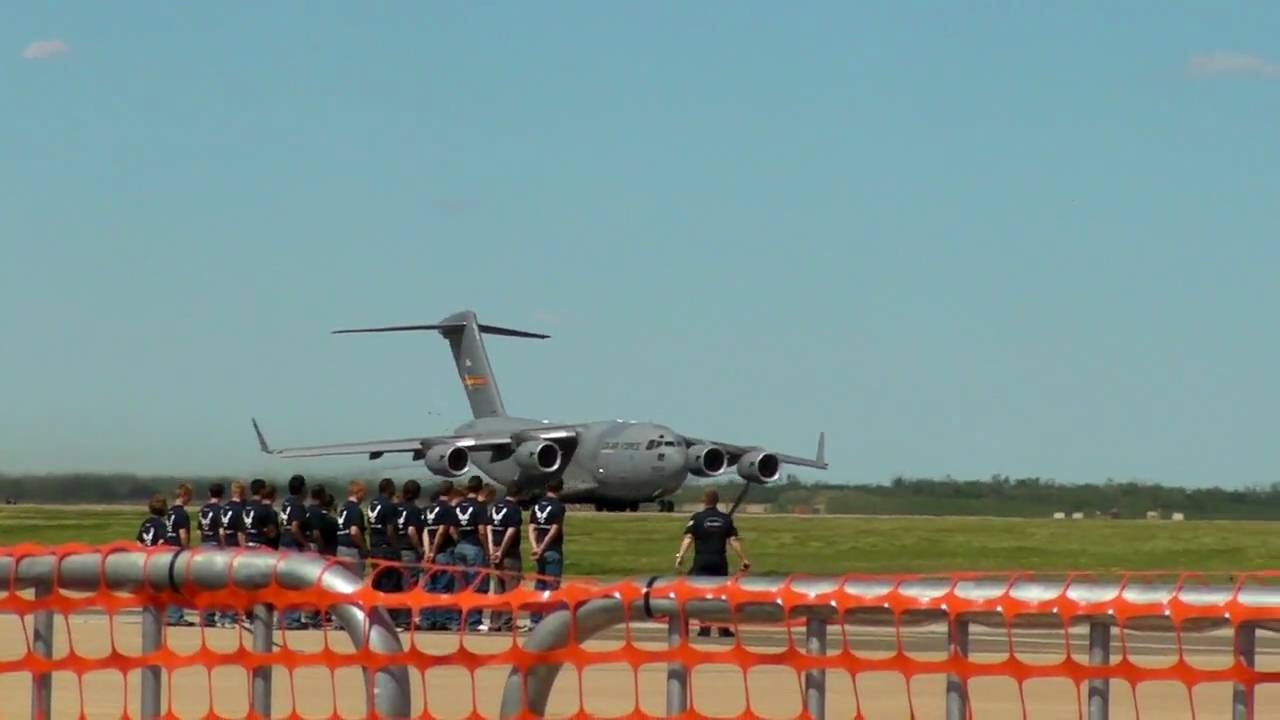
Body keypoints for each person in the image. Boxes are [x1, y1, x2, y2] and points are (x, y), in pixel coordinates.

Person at [674, 488, 750, 638]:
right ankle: (723, 629)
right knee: (722, 596)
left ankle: (704, 628)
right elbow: (733, 541)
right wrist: (743, 558)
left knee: (700, 595)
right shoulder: (726, 519)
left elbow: (688, 538)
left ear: (704, 501)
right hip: (719, 561)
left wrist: (680, 555)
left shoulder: (697, 518)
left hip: (702, 561)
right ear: (717, 501)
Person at [527, 477, 566, 628]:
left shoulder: (537, 505)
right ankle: (549, 621)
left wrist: (535, 547)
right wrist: (543, 547)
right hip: (552, 548)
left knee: (540, 585)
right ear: (560, 489)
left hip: (538, 547)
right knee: (552, 586)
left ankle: (534, 620)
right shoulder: (558, 506)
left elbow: (532, 527)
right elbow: (554, 529)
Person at [420, 481, 459, 631]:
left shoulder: (429, 509)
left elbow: (425, 531)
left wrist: (427, 551)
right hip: (443, 552)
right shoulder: (448, 510)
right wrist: (435, 551)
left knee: (430, 587)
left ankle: (427, 619)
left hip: (429, 550)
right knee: (443, 587)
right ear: (451, 493)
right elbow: (443, 531)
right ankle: (442, 619)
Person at [452, 476, 490, 632]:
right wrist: (487, 548)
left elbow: (452, 528)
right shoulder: (480, 506)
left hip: (460, 545)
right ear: (480, 489)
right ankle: (474, 621)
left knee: (460, 584)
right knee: (476, 584)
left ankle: (457, 620)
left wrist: (458, 540)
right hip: (475, 546)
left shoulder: (458, 505)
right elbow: (481, 530)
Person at [486, 485, 524, 632]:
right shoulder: (514, 509)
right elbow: (511, 531)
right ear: (518, 494)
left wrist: (491, 549)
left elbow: (489, 528)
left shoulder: (496, 507)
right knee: (511, 588)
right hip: (509, 552)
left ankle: (495, 622)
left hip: (494, 547)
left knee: (498, 588)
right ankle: (508, 622)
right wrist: (501, 551)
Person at [366, 478, 403, 624]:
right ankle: (390, 619)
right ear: (389, 489)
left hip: (375, 547)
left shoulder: (372, 504)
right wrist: (396, 548)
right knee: (391, 584)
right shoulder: (389, 506)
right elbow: (390, 530)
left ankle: (376, 616)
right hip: (386, 549)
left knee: (377, 584)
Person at [278, 474, 310, 630]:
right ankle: (291, 619)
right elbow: (296, 528)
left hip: (283, 544)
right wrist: (305, 543)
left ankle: (283, 617)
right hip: (292, 547)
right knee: (294, 584)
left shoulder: (286, 503)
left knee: (285, 585)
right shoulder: (298, 505)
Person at [394, 479, 426, 631]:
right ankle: (405, 619)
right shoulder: (413, 510)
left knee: (397, 584)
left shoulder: (396, 508)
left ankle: (395, 616)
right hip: (408, 550)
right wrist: (420, 548)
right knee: (409, 585)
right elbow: (412, 531)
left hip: (396, 549)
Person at [163, 484, 195, 627]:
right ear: (184, 495)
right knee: (178, 584)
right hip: (177, 550)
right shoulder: (182, 513)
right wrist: (187, 549)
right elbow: (183, 534)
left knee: (170, 584)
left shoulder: (169, 512)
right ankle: (175, 615)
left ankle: (170, 614)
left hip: (167, 548)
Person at [196, 483, 225, 628]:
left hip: (203, 546)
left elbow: (199, 531)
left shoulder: (203, 509)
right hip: (215, 546)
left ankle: (204, 615)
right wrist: (224, 547)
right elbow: (221, 531)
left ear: (209, 493)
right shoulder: (220, 510)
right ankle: (211, 616)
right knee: (215, 584)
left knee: (204, 584)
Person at [336, 481, 368, 576]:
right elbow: (354, 532)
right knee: (355, 581)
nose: (365, 497)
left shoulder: (343, 508)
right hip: (352, 551)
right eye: (364, 493)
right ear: (358, 493)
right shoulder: (355, 509)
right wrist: (364, 547)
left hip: (340, 548)